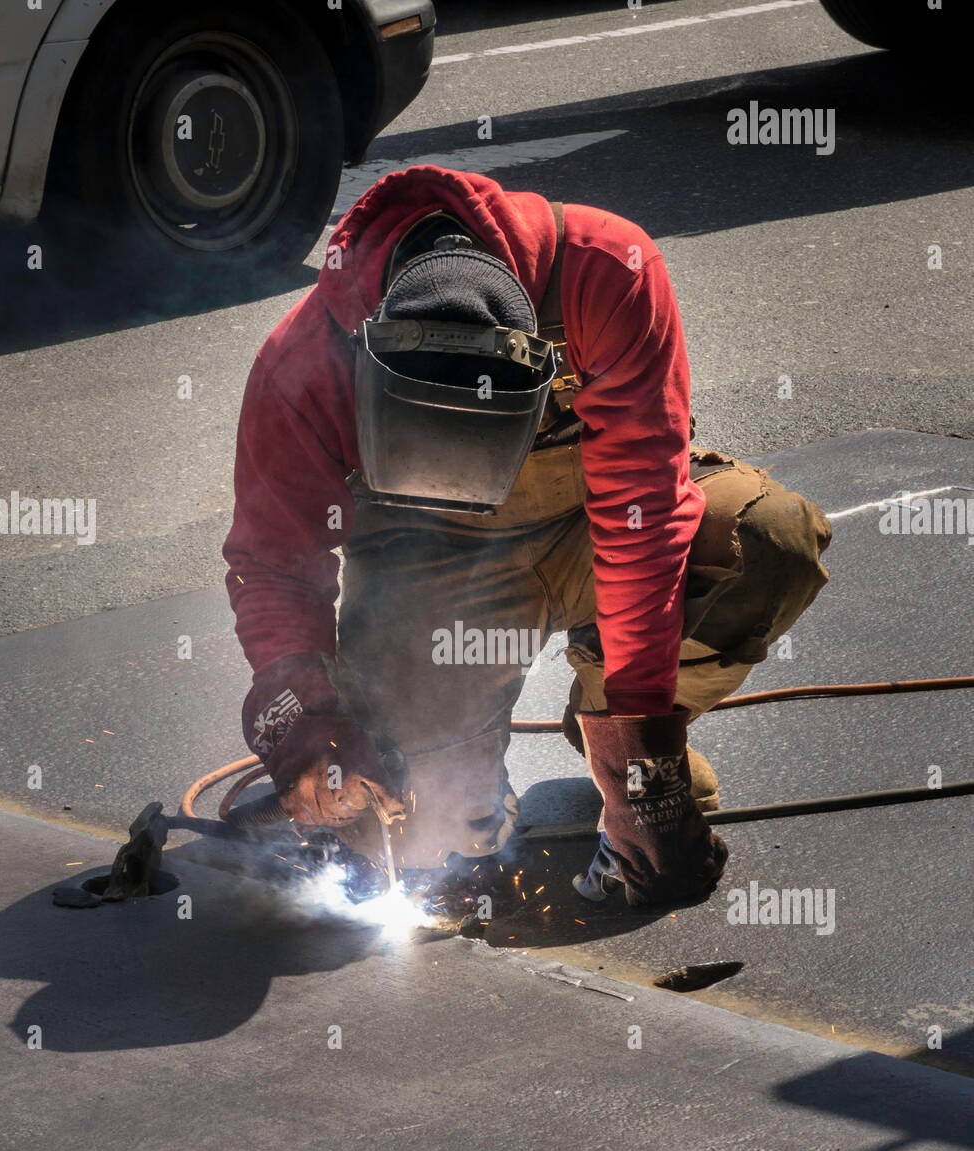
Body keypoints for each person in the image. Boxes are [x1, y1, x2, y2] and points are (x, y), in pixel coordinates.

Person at [224, 165, 831, 908]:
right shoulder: (303, 365)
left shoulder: (606, 272)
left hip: (592, 525)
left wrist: (641, 765)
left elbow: (641, 515)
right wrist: (313, 721)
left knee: (764, 541)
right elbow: (276, 567)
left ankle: (603, 717)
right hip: (435, 572)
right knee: (431, 840)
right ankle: (463, 777)